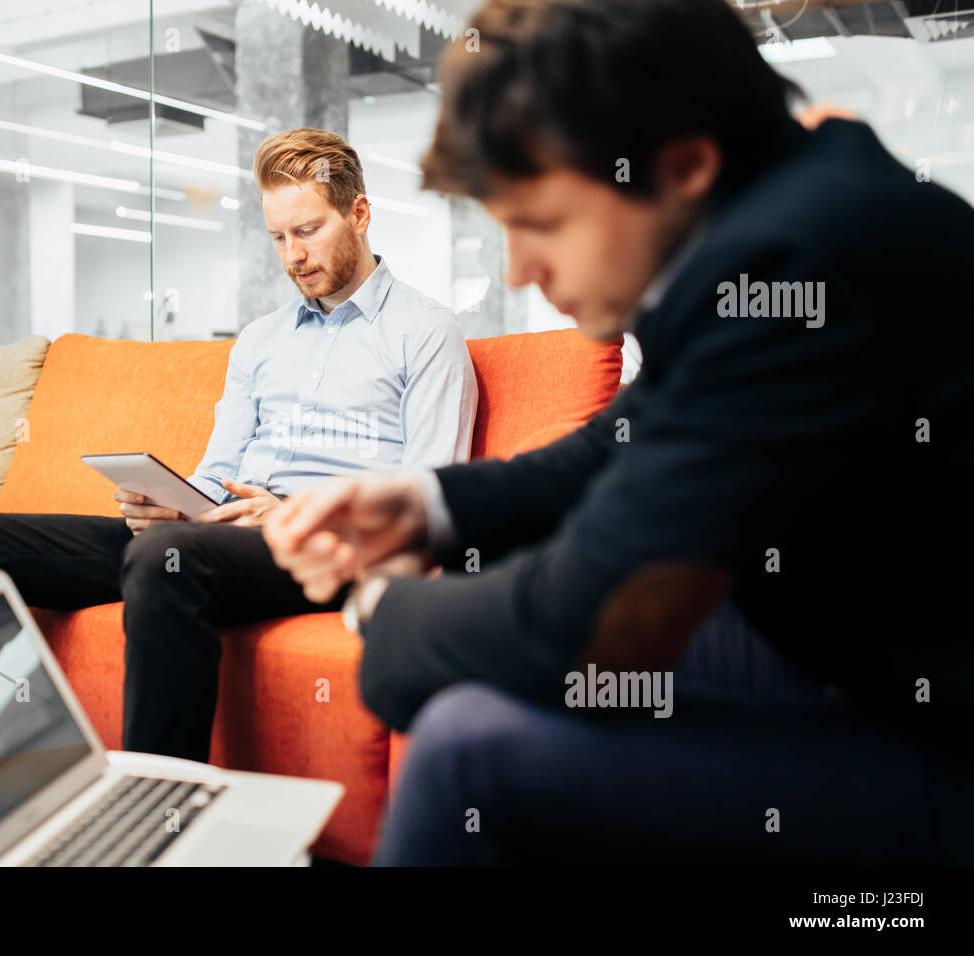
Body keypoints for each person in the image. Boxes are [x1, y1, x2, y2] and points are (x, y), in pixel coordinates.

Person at [263, 0, 974, 865]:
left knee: (464, 745)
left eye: (542, 224)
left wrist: (384, 611)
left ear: (682, 167)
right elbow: (617, 446)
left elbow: (594, 625)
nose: (521, 268)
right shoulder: (788, 210)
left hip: (933, 739)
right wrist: (420, 503)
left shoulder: (799, 261)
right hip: (857, 640)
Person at [0, 128, 477, 763]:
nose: (293, 255)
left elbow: (429, 504)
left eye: (309, 230)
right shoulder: (259, 341)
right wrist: (173, 503)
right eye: (278, 237)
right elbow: (218, 472)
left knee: (166, 558)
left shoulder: (427, 333)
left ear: (360, 213)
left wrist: (288, 513)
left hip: (320, 549)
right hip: (218, 536)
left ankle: (158, 816)